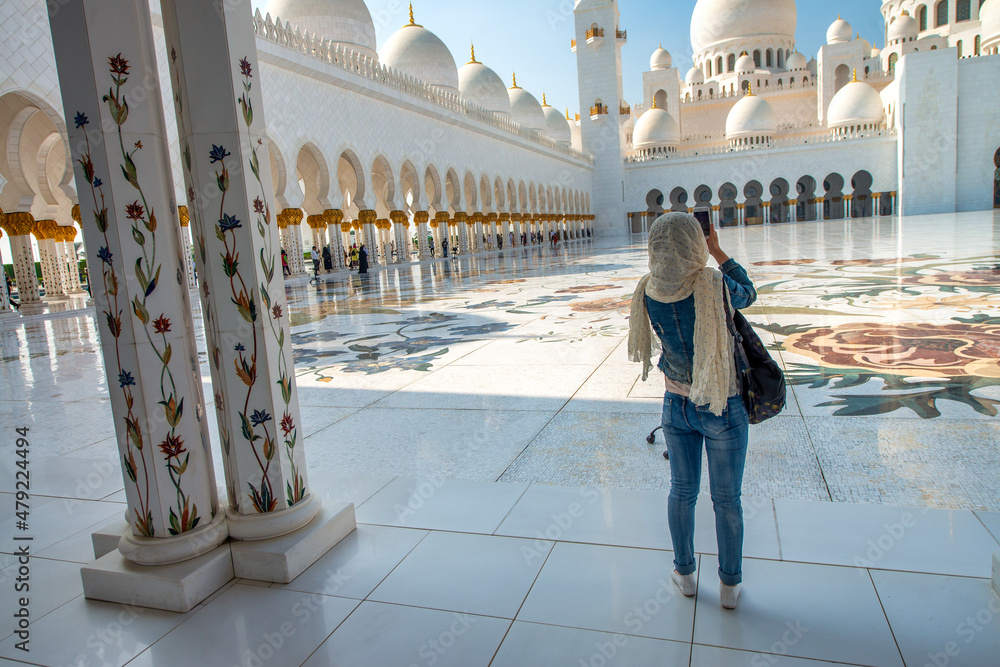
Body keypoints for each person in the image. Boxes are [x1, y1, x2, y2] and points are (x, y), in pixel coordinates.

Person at [627, 212, 757, 611]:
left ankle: (684, 573)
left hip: (675, 405)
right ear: (693, 242)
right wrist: (717, 250)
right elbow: (748, 294)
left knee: (682, 491)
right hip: (721, 402)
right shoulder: (712, 284)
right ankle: (729, 585)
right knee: (726, 499)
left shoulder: (648, 289)